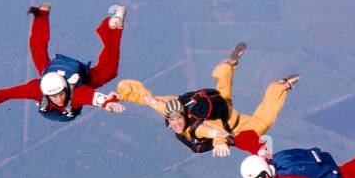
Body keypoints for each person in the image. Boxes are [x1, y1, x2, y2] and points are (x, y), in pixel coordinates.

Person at [118, 43, 297, 156]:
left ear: (183, 116)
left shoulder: (194, 128)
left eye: (178, 119)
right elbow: (146, 97)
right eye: (173, 120)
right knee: (223, 92)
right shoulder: (164, 107)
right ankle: (226, 66)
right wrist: (121, 94)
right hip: (222, 109)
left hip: (232, 125)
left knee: (262, 123)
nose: (177, 123)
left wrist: (220, 143)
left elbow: (212, 131)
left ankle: (279, 87)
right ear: (168, 118)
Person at [0, 2, 128, 122]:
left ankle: (111, 27)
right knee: (37, 50)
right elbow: (8, 94)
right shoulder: (36, 89)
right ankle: (43, 14)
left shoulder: (78, 93)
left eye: (60, 94)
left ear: (66, 89)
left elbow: (96, 98)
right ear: (45, 93)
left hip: (76, 78)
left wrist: (108, 103)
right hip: (52, 72)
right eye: (54, 96)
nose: (59, 99)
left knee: (108, 71)